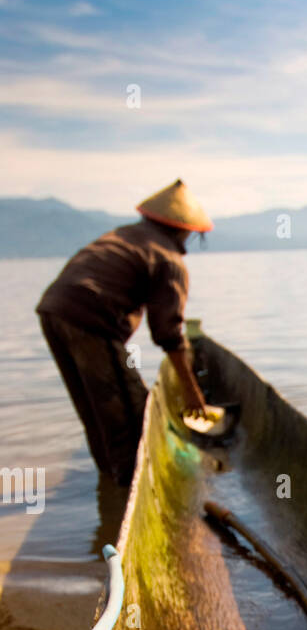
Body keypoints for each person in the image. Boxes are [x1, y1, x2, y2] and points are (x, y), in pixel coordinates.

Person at [36, 178, 211, 486]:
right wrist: (190, 389)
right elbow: (167, 332)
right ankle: (131, 487)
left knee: (94, 411)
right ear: (185, 230)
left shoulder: (126, 235)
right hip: (90, 318)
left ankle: (110, 494)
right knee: (132, 416)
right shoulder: (168, 258)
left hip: (53, 310)